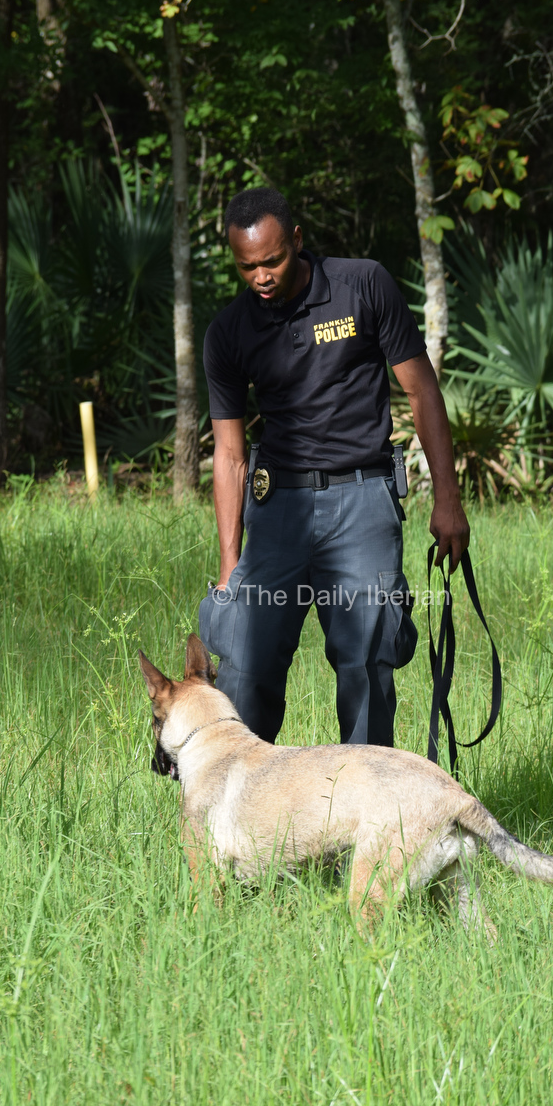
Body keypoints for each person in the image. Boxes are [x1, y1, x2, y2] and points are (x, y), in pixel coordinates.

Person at [199, 187, 469, 746]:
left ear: (296, 241)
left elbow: (421, 392)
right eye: (247, 266)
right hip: (277, 514)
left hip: (362, 501)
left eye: (272, 260)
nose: (262, 276)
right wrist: (229, 566)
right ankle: (244, 821)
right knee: (244, 669)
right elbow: (229, 454)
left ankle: (368, 821)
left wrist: (448, 500)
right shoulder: (229, 333)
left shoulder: (362, 285)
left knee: (367, 666)